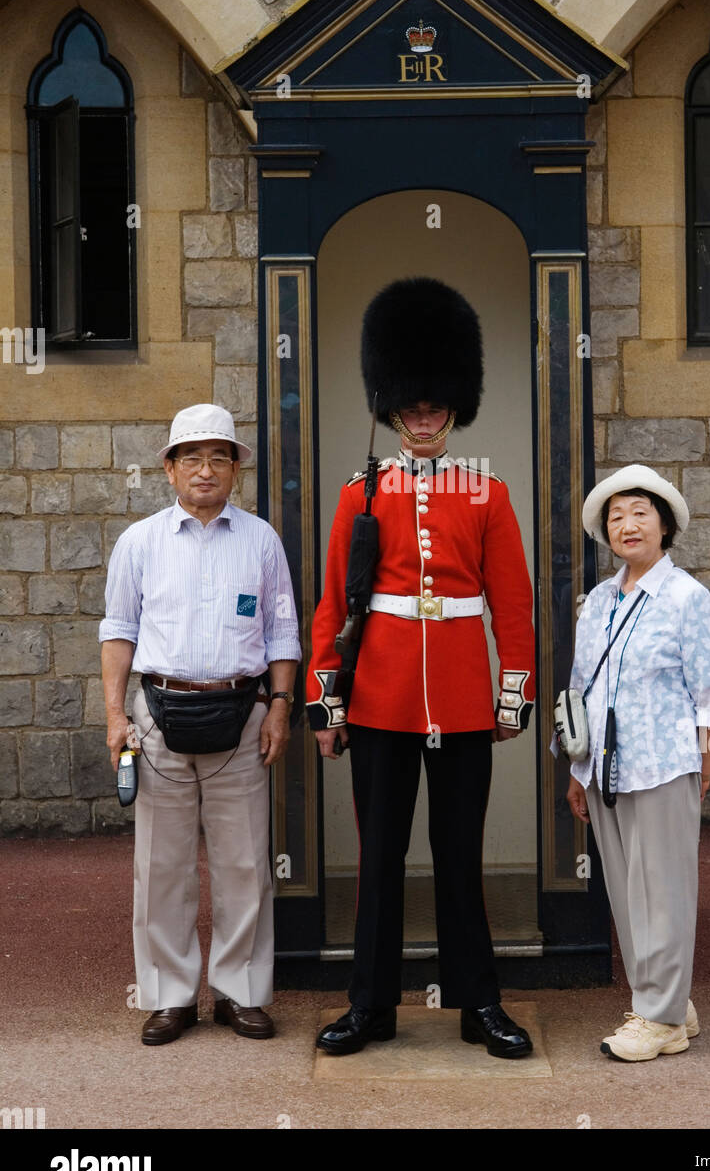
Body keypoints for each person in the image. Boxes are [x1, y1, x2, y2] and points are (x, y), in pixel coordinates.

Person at [308, 277, 536, 1058]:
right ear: (394, 408)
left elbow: (512, 607)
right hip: (378, 699)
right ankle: (370, 1009)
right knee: (379, 861)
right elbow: (334, 606)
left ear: (452, 406)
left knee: (459, 858)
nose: (424, 418)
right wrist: (325, 702)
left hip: (466, 701)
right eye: (412, 407)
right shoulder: (358, 496)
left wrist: (514, 693)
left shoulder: (488, 494)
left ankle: (479, 1006)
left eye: (436, 406)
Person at [100, 403, 301, 1045]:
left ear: (236, 470)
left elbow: (282, 630)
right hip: (157, 717)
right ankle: (170, 995)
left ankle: (240, 992)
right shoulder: (140, 542)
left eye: (220, 457)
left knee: (244, 862)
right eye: (192, 457)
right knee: (162, 865)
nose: (206, 469)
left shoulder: (261, 540)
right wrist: (112, 714)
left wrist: (280, 704)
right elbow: (119, 631)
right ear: (169, 468)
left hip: (242, 714)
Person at [560, 464, 710, 1062]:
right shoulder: (599, 602)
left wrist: (705, 768)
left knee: (662, 891)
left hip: (665, 764)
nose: (627, 524)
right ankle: (666, 1002)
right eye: (616, 515)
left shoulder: (688, 597)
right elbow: (582, 686)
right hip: (606, 768)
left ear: (665, 526)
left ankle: (658, 1017)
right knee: (626, 893)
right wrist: (576, 772)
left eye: (640, 512)